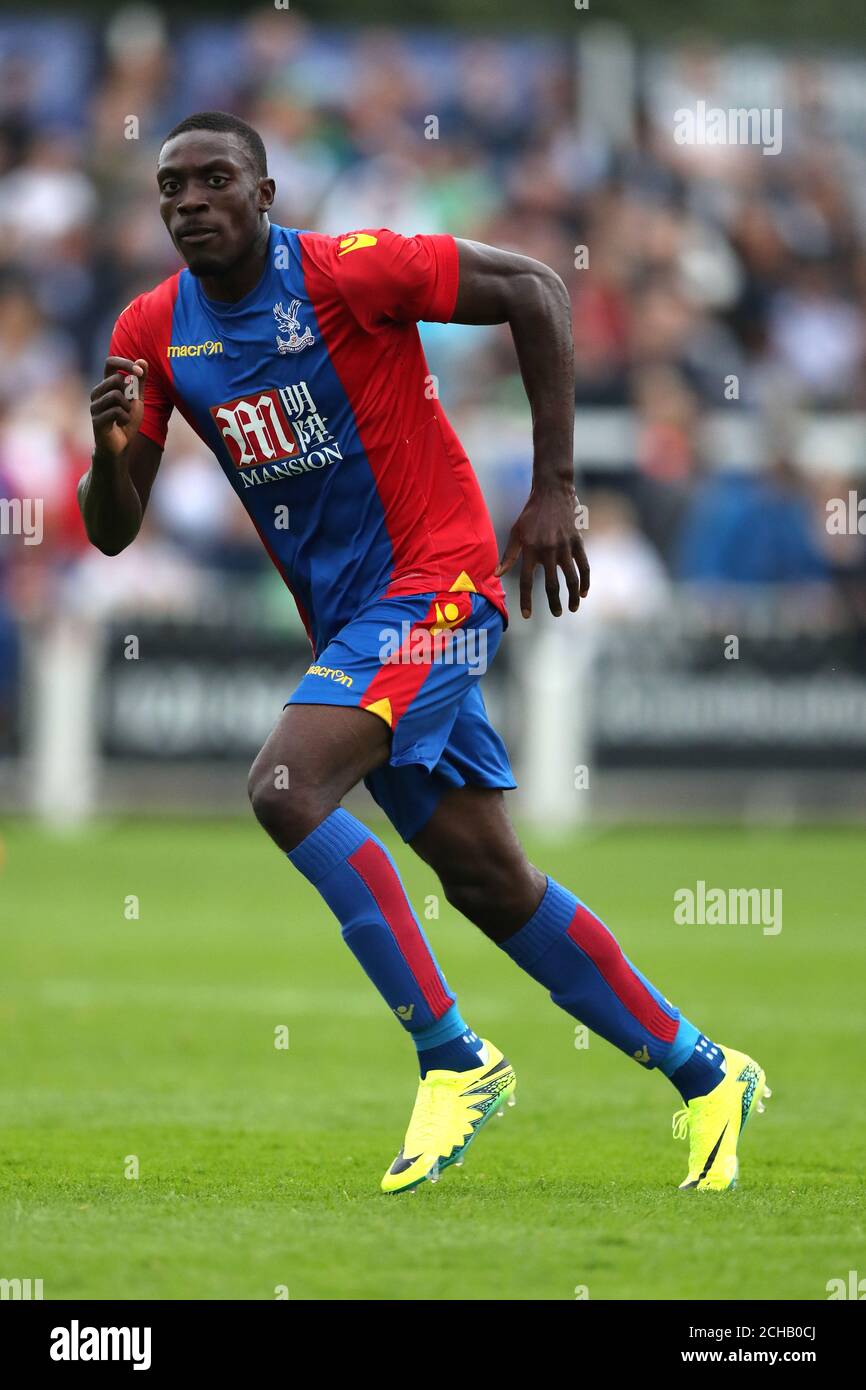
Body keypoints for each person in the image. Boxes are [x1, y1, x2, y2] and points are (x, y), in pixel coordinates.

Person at [79, 111, 768, 1194]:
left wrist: (554, 488)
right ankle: (705, 1070)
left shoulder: (353, 272)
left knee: (283, 785)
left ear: (266, 194)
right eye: (171, 187)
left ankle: (454, 1057)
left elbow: (535, 289)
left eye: (216, 179)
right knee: (490, 880)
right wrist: (109, 457)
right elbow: (113, 529)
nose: (190, 202)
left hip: (436, 584)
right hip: (352, 623)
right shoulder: (153, 329)